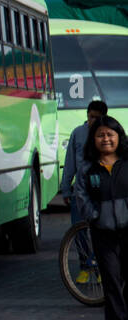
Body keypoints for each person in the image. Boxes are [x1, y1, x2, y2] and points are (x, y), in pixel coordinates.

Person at [71, 114, 128, 320]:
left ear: (118, 137)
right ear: (93, 139)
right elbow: (81, 195)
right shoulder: (88, 168)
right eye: (100, 135)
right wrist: (93, 216)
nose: (105, 139)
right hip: (103, 233)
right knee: (111, 279)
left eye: (110, 134)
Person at [59, 99, 108, 281]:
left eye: (96, 118)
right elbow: (70, 162)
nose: (92, 121)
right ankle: (85, 267)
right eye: (90, 117)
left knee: (101, 229)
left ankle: (101, 267)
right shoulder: (77, 133)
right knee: (79, 229)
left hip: (102, 189)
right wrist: (65, 189)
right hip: (80, 189)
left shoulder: (108, 135)